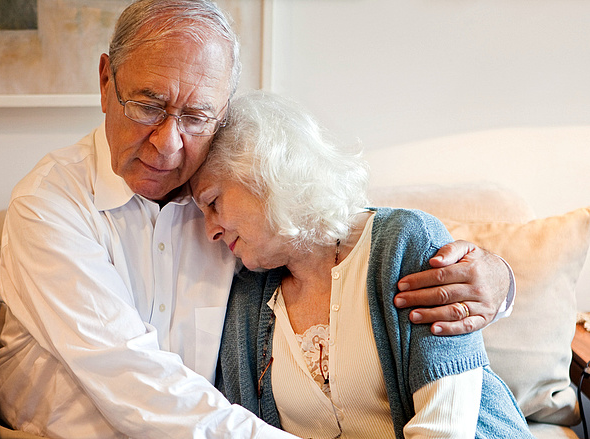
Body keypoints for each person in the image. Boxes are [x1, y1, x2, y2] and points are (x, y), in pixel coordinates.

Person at [0, 1, 515, 437]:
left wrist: (498, 280)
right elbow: (131, 378)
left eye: (195, 118)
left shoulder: (249, 219)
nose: (168, 143)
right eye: (148, 106)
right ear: (106, 82)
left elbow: (353, 232)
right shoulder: (50, 202)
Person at [192, 90, 532, 438]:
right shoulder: (246, 295)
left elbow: (444, 429)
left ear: (262, 173)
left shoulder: (406, 242)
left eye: (213, 203)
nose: (210, 231)